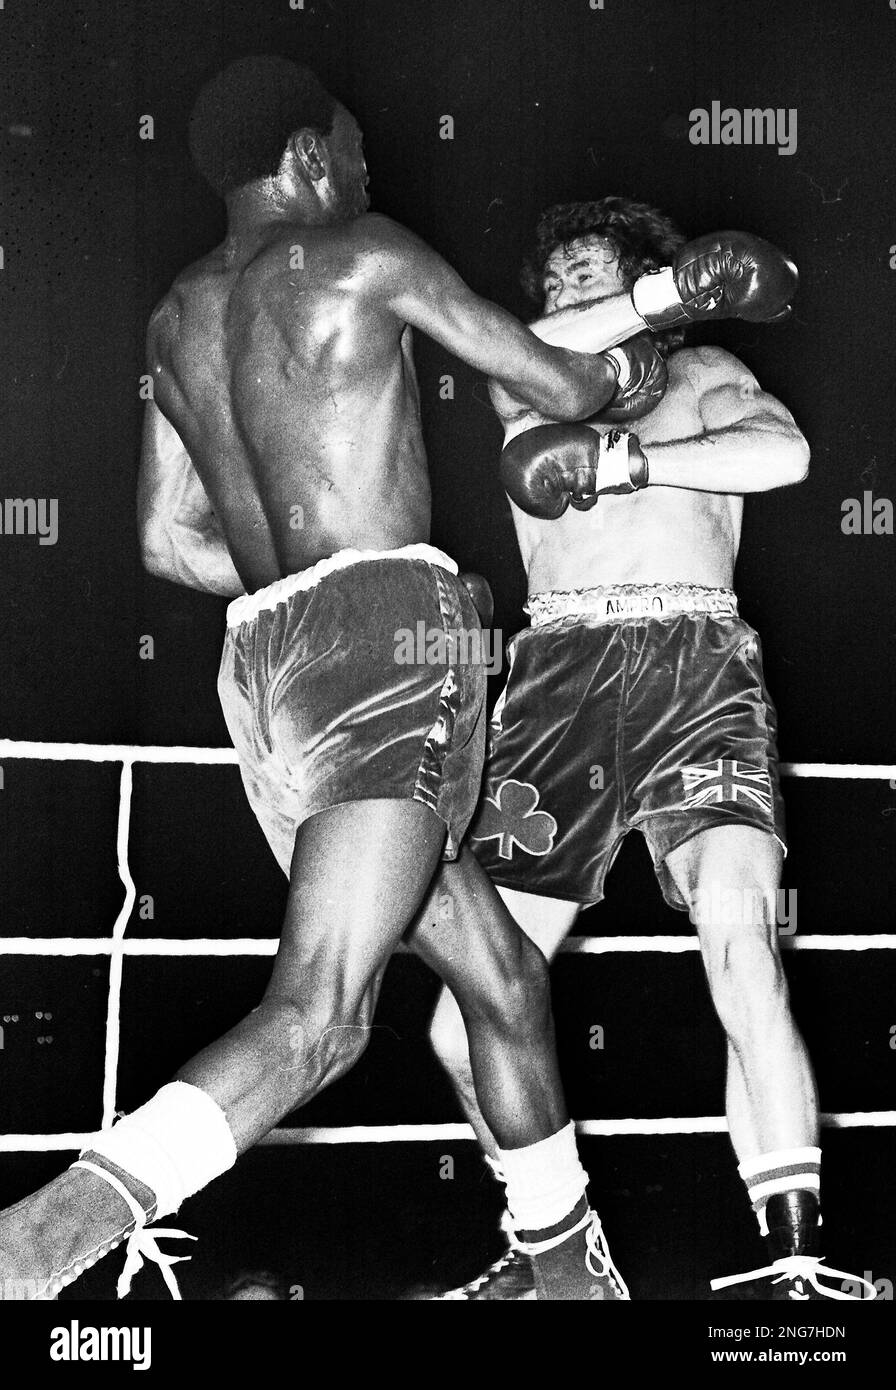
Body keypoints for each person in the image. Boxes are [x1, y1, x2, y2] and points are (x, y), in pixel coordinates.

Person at [0, 56, 800, 1299]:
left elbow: (167, 543)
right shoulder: (364, 249)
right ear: (314, 161)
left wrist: (307, 586)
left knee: (502, 976)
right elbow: (572, 385)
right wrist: (665, 307)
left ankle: (559, 1267)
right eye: (359, 154)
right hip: (383, 645)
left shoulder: (174, 313)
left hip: (263, 670)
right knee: (324, 1011)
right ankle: (32, 1248)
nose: (371, 174)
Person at [428, 196, 875, 1302]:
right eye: (557, 278)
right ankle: (547, 1244)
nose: (566, 291)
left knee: (741, 945)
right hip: (555, 683)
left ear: (647, 282)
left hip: (696, 670)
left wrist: (631, 462)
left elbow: (785, 453)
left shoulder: (705, 370)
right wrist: (634, 313)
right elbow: (524, 351)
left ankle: (794, 1263)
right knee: (458, 1014)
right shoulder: (523, 374)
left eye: (591, 271)